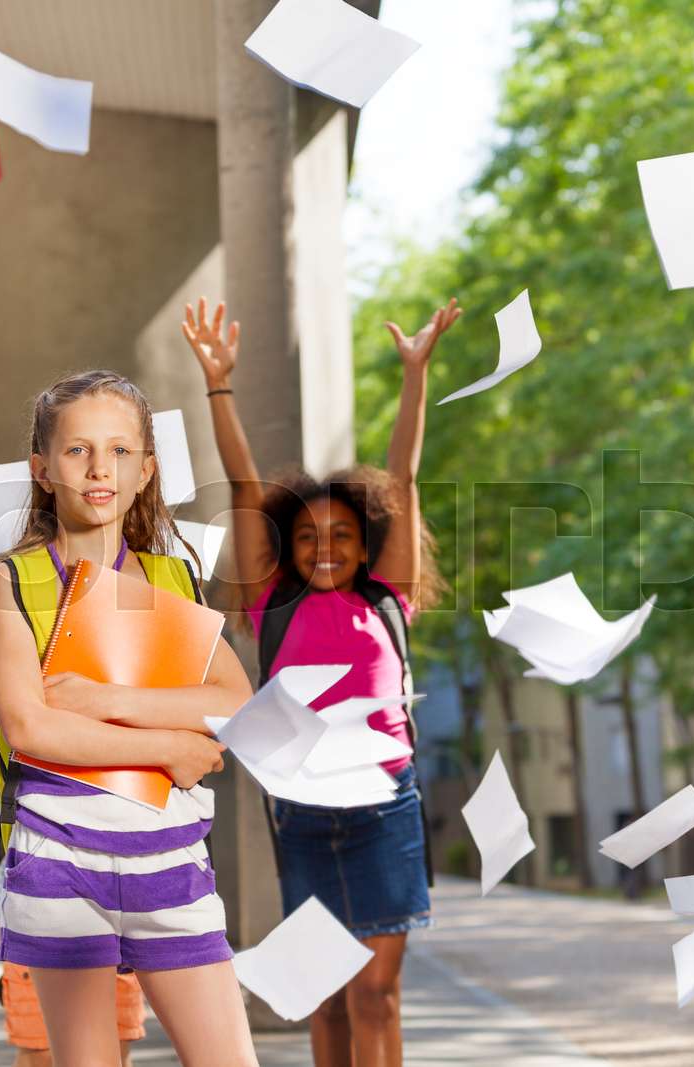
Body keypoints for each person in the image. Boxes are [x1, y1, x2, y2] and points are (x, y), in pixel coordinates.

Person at [182, 297, 457, 1067]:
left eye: (341, 534)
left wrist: (415, 374)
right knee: (327, 994)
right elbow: (243, 484)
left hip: (385, 809)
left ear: (367, 543)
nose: (325, 546)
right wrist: (218, 384)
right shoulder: (271, 603)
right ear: (287, 546)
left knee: (377, 993)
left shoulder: (387, 597)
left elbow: (402, 476)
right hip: (302, 814)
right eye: (307, 535)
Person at [0, 369, 260, 1067]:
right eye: (77, 450)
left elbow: (235, 702)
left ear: (146, 470)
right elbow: (31, 729)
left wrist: (108, 701)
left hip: (171, 861)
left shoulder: (173, 578)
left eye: (119, 450)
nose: (99, 467)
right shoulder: (14, 580)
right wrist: (170, 744)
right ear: (41, 469)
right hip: (59, 862)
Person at [0, 726, 145, 1067]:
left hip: (117, 917)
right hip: (32, 918)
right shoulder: (11, 732)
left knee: (116, 1047)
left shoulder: (127, 725)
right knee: (41, 1050)